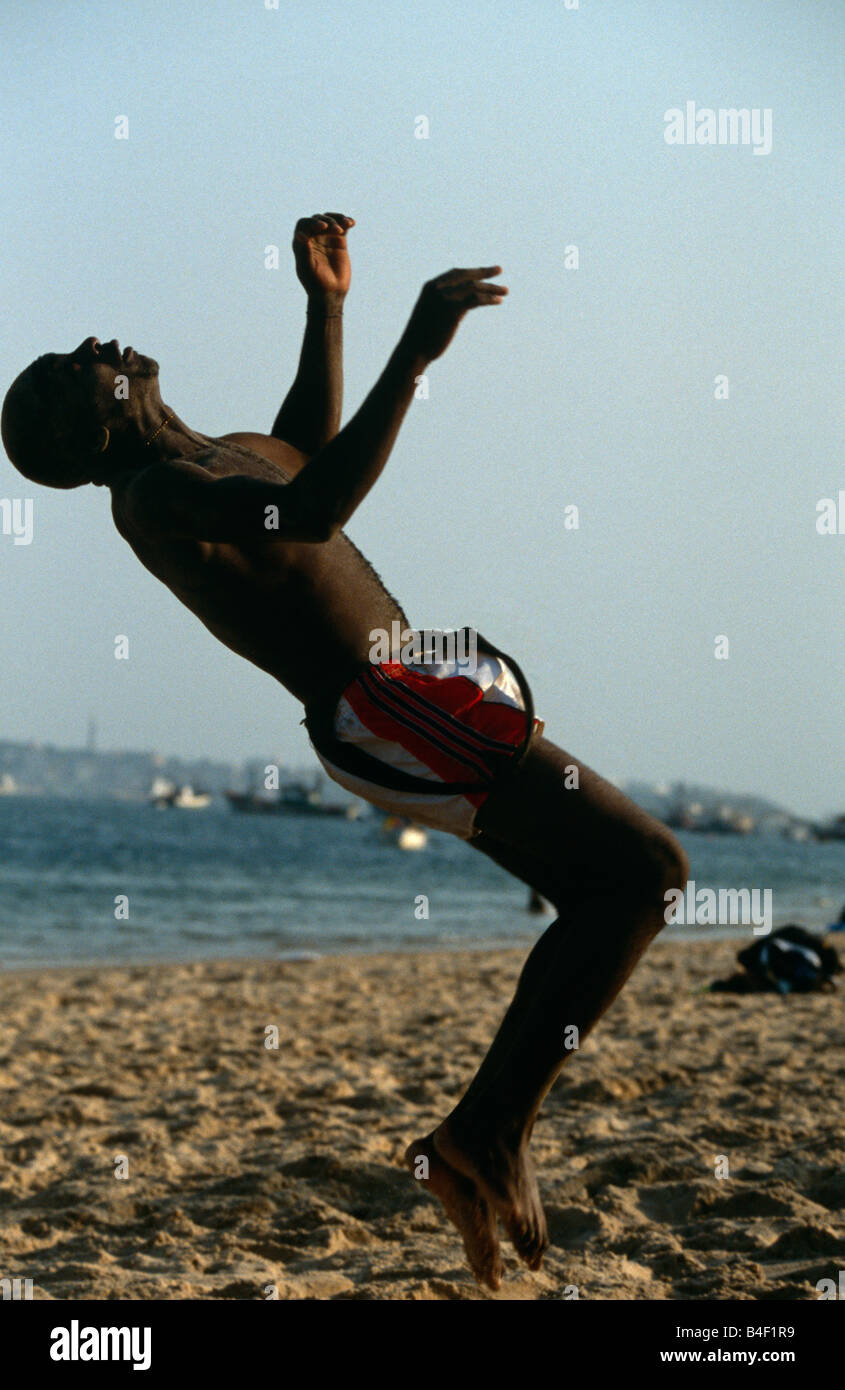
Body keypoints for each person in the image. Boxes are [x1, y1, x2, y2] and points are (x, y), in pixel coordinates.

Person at [2, 212, 689, 1290]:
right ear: (92, 436)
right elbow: (312, 510)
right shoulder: (154, 495)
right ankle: (483, 1132)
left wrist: (325, 306)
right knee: (648, 872)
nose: (96, 347)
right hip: (391, 712)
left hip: (409, 697)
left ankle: (480, 1134)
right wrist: (410, 355)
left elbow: (298, 458)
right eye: (70, 372)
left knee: (612, 891)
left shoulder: (201, 456)